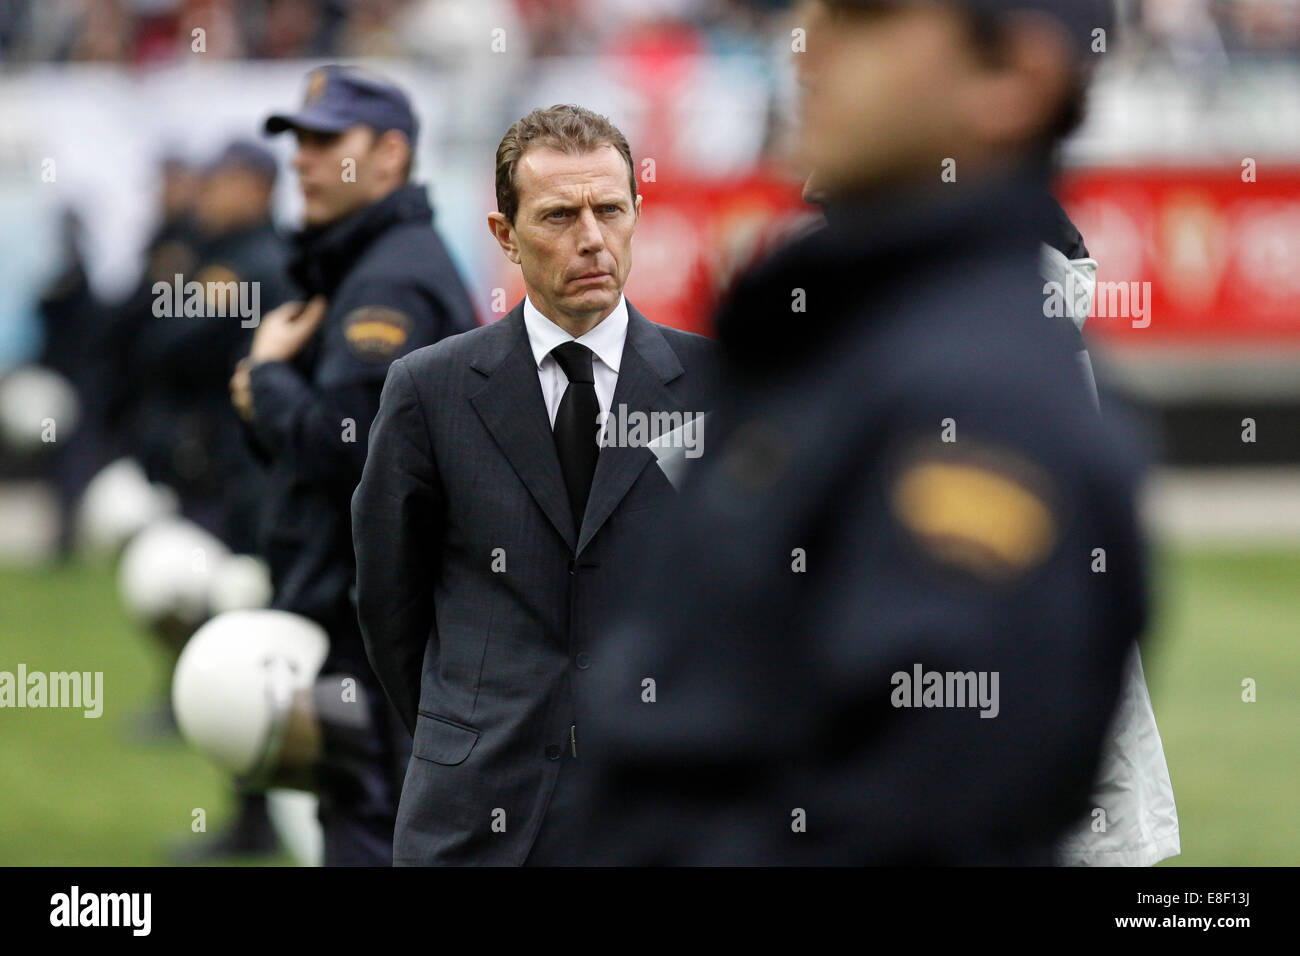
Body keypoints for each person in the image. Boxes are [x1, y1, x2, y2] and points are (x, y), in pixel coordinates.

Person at [571, 0, 1151, 864]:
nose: (810, 46)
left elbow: (914, 821)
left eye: (866, 15)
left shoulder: (974, 393)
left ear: (1011, 77)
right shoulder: (841, 341)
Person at [351, 104, 719, 865]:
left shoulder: (720, 384)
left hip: (657, 813)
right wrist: (466, 729)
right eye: (558, 215)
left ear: (636, 215)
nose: (591, 237)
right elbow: (390, 601)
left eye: (609, 210)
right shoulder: (430, 389)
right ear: (505, 235)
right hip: (473, 811)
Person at [230, 64, 478, 866]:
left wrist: (266, 382)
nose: (302, 158)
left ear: (391, 154)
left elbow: (352, 452)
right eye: (298, 139)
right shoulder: (361, 258)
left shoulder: (392, 277)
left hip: (379, 637)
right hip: (368, 626)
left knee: (371, 834)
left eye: (327, 139)